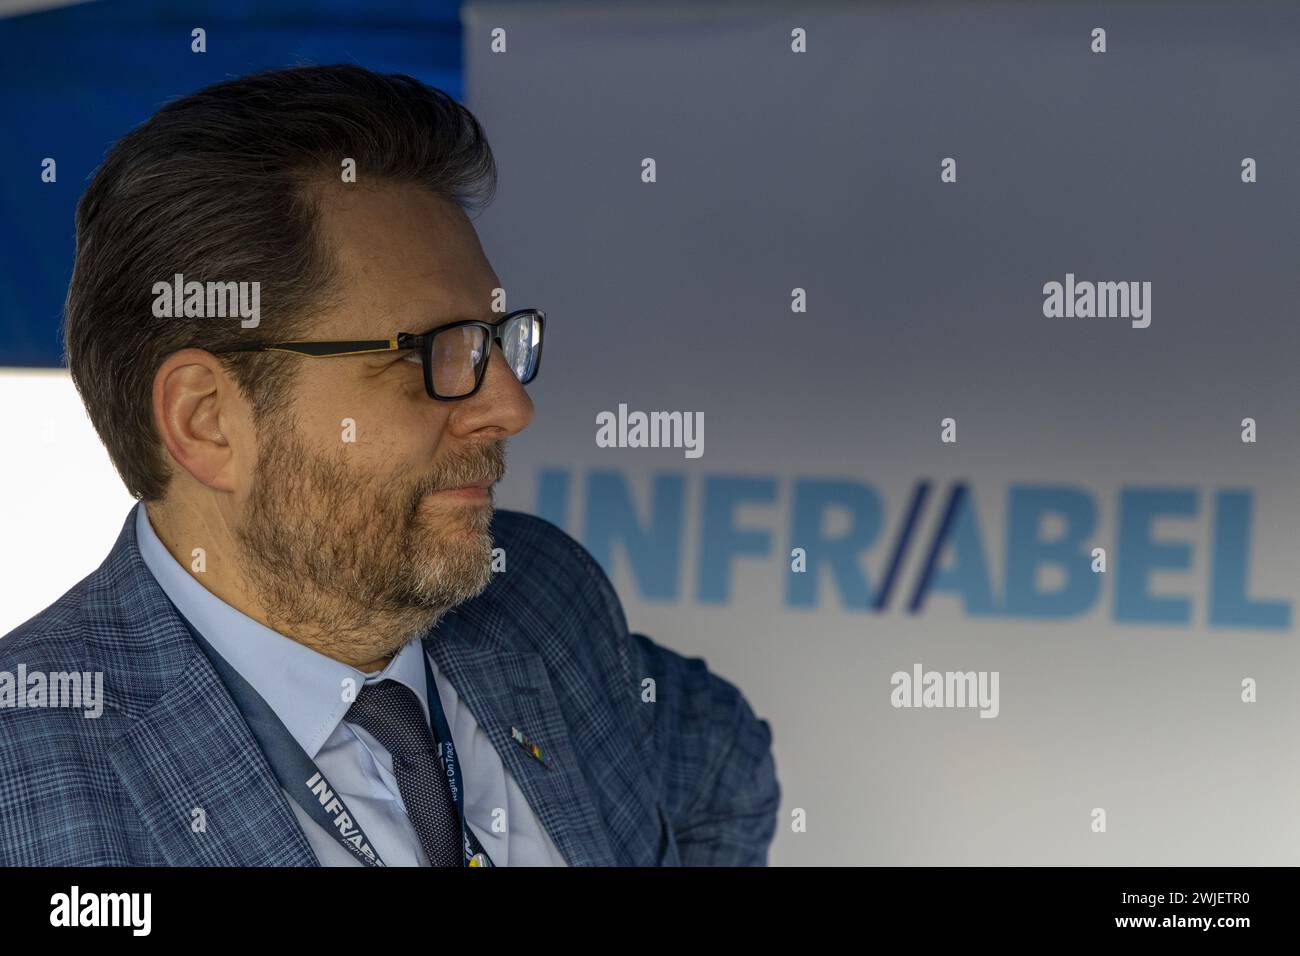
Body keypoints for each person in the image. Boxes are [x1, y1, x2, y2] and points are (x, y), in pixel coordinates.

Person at [0, 64, 779, 866]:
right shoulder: (24, 788)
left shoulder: (541, 593)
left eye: (493, 340)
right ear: (207, 422)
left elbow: (724, 767)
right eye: (435, 353)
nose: (511, 407)